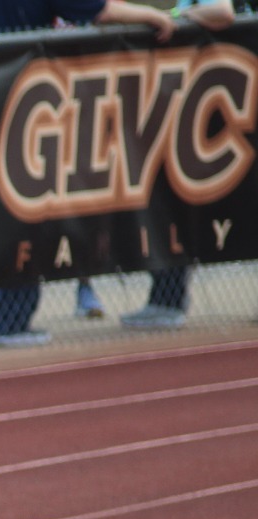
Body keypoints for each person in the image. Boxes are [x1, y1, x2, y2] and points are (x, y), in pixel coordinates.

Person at [0, 0, 176, 346]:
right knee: (20, 205)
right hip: (17, 103)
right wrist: (153, 15)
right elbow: (97, 9)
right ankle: (7, 322)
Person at [119, 0, 239, 328]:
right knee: (153, 195)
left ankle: (169, 297)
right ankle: (164, 295)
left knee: (179, 195)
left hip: (193, 102)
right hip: (143, 102)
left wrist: (176, 18)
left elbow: (223, 11)